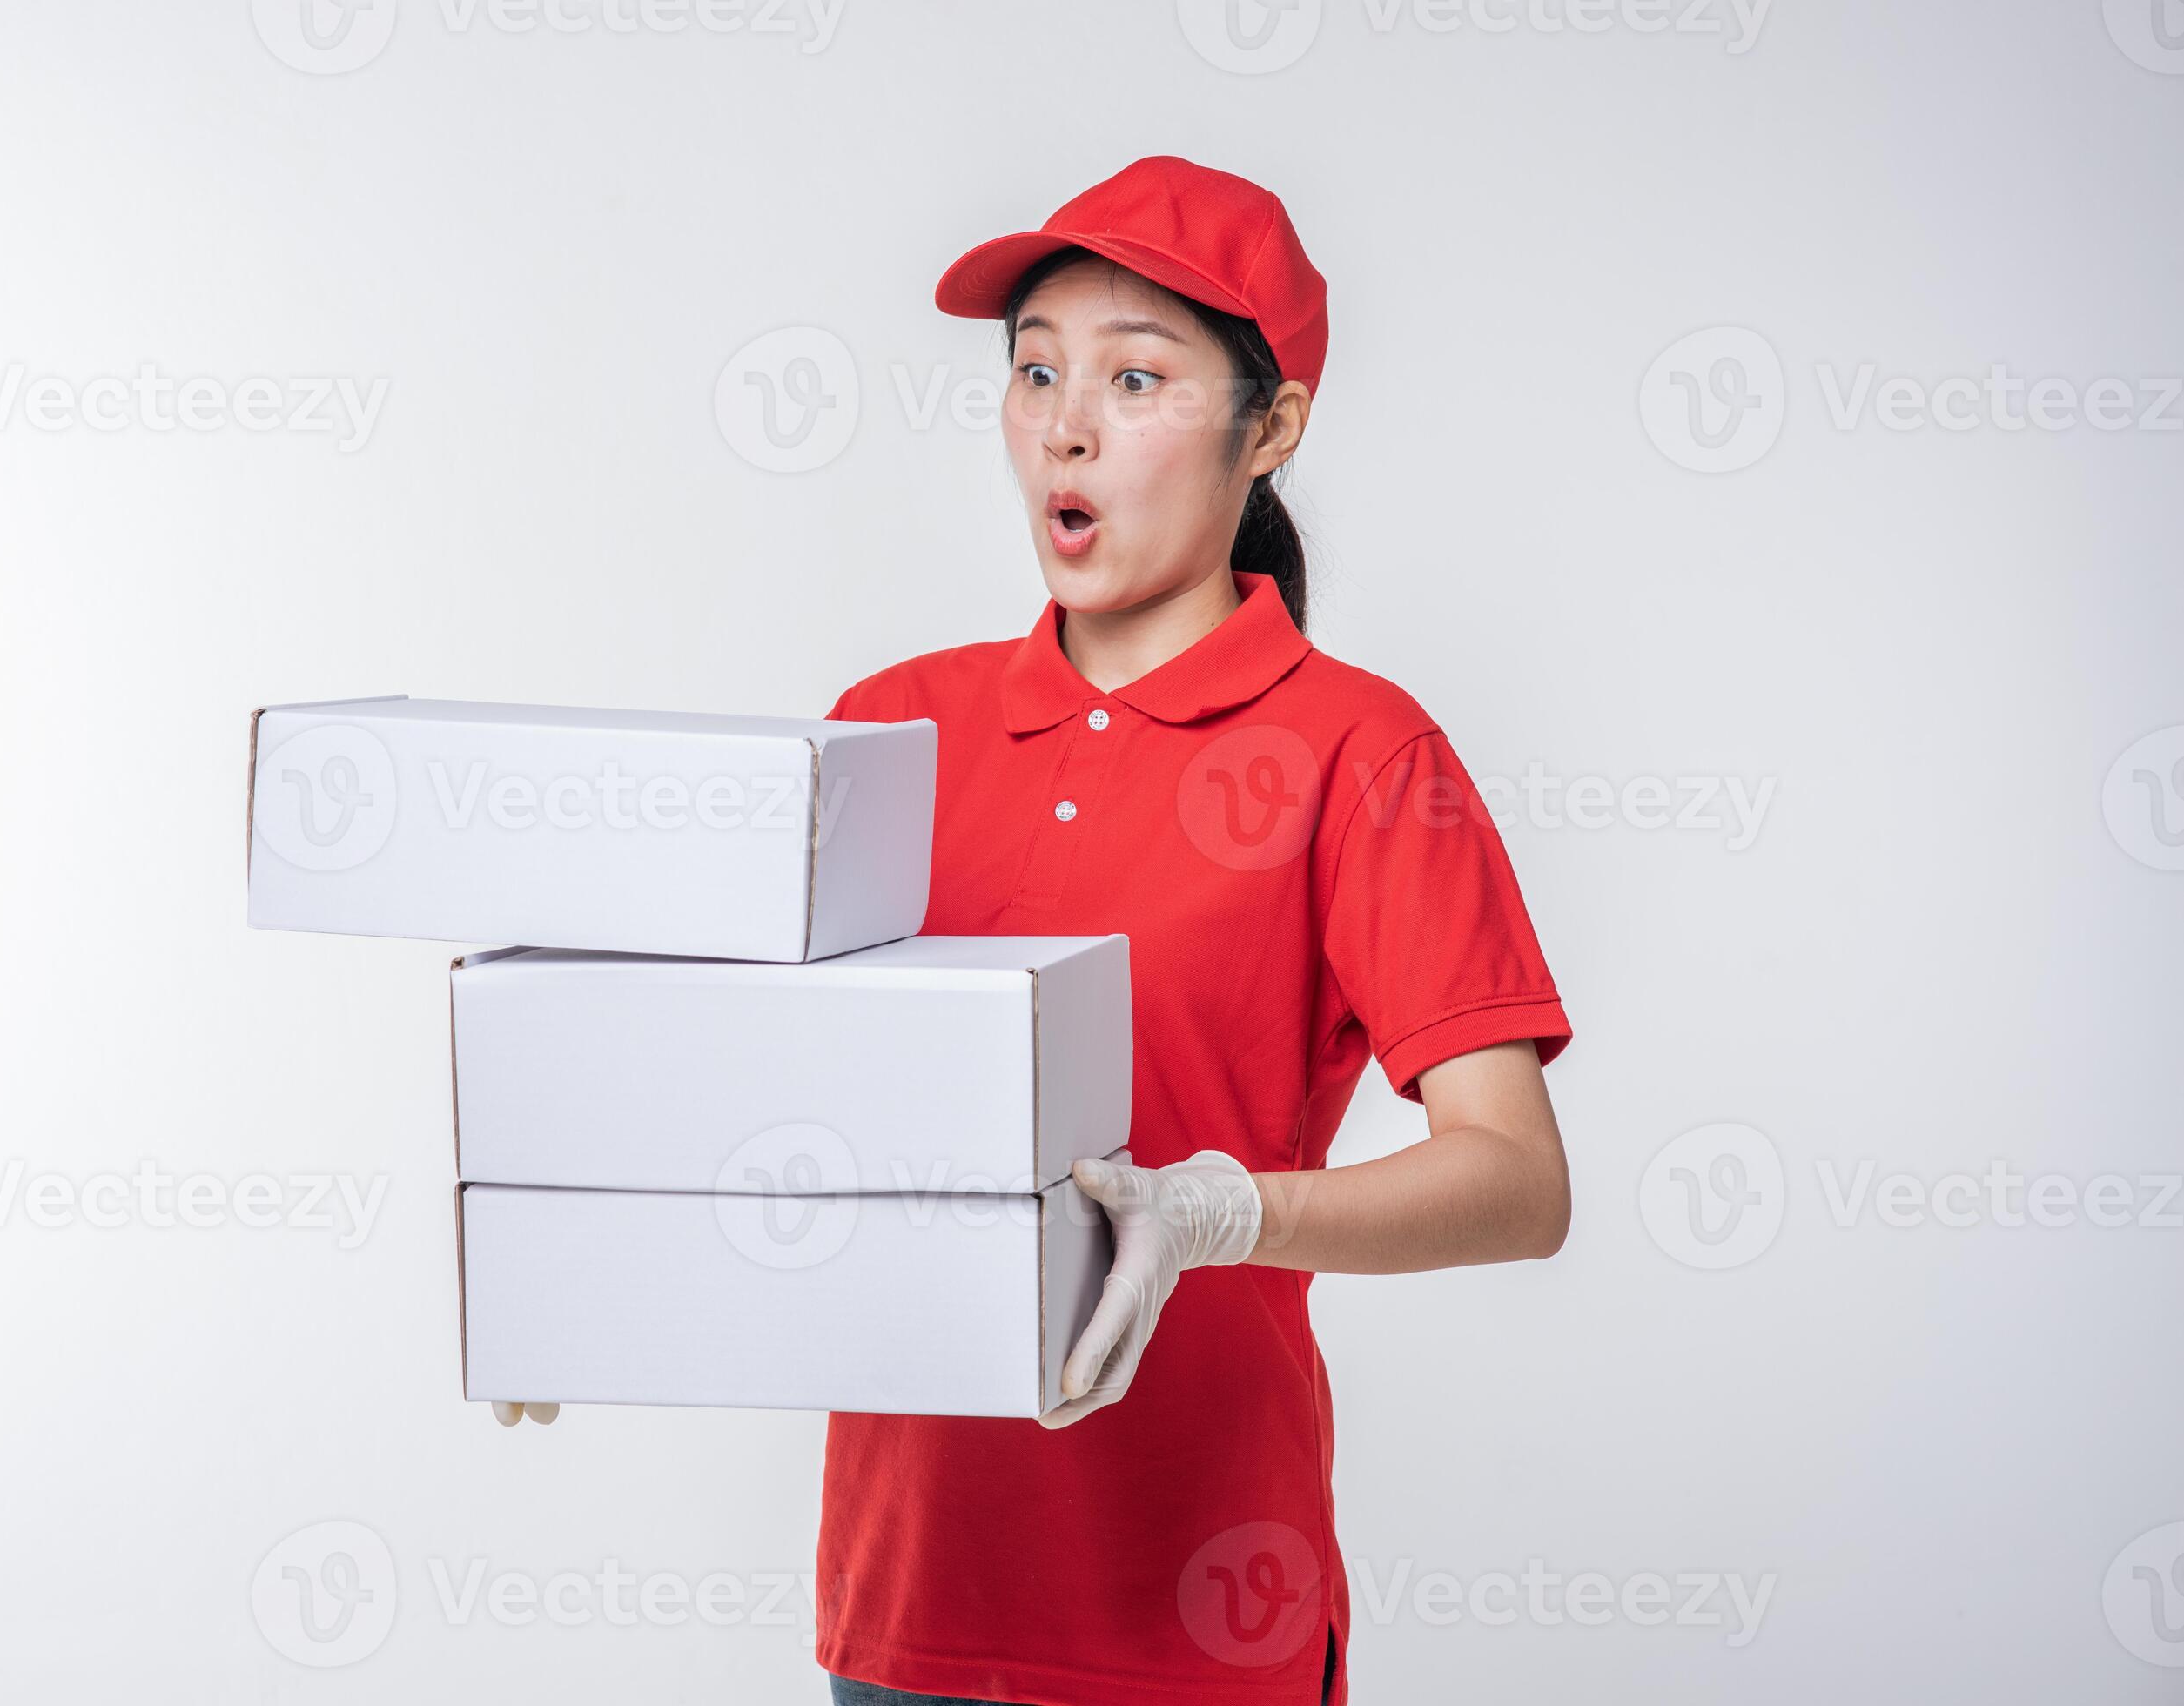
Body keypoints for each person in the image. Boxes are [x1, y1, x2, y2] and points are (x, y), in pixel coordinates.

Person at [503, 155, 1575, 1706]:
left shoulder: (1359, 753)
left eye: (1135, 379)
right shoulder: (890, 730)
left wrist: (1228, 1215)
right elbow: (756, 1095)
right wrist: (588, 1273)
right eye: (1034, 374)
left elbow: (1517, 1181)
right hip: (906, 1605)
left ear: (1264, 431)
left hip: (1200, 1621)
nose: (1064, 425)